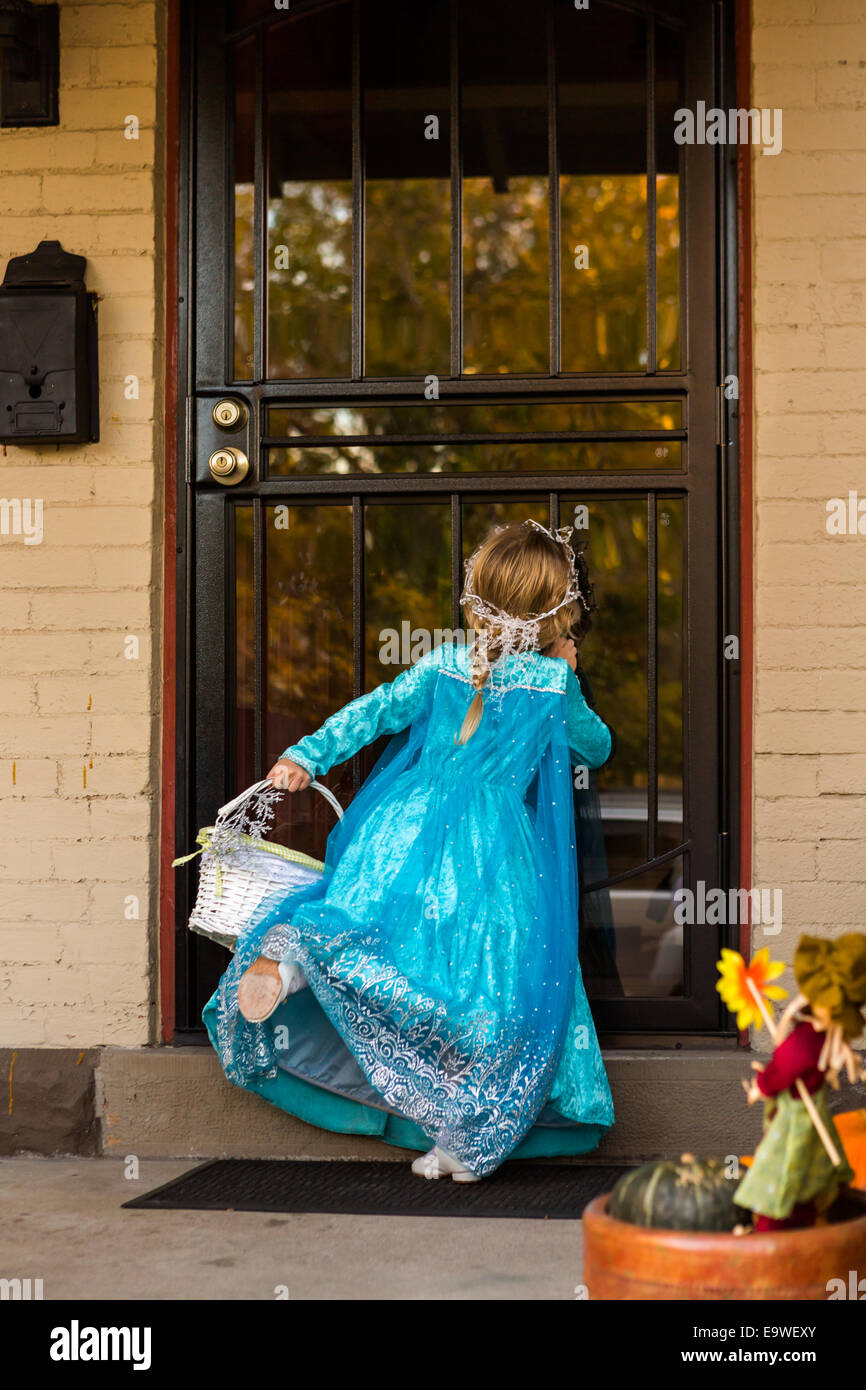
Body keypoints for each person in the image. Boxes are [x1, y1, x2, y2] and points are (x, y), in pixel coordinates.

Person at [207, 519, 615, 1180]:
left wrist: (305, 755)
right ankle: (463, 1135)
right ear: (558, 611)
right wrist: (569, 670)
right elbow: (596, 749)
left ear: (477, 596)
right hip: (493, 855)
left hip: (400, 832)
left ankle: (296, 962)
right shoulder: (551, 684)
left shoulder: (445, 664)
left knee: (365, 930)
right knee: (488, 990)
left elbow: (373, 711)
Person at [735, 933, 866, 1230]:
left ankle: (773, 1229)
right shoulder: (824, 1037)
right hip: (813, 1109)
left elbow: (784, 1069)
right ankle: (807, 1216)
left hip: (795, 1117)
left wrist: (762, 1086)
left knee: (783, 1171)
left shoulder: (807, 1041)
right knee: (810, 1169)